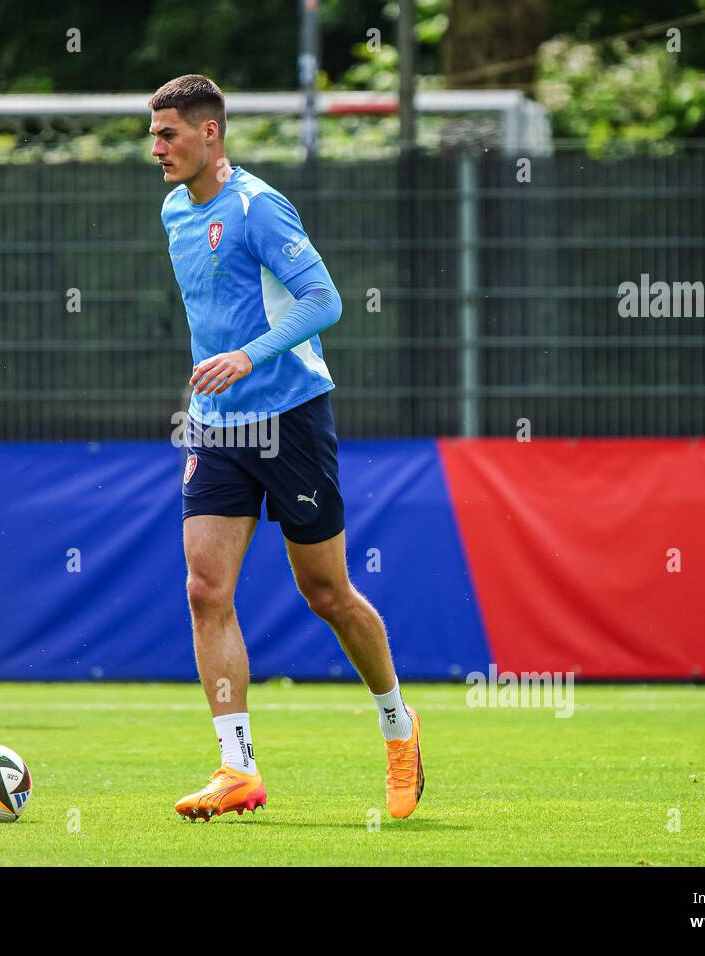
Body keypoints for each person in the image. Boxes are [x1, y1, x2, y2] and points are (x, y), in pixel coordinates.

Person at [149, 74, 424, 821]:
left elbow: (324, 300)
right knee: (205, 590)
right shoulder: (175, 209)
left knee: (326, 594)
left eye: (169, 133)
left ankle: (398, 728)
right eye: (154, 134)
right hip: (216, 426)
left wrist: (248, 356)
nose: (158, 148)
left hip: (292, 418)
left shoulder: (257, 205)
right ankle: (236, 767)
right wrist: (214, 375)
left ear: (211, 133)